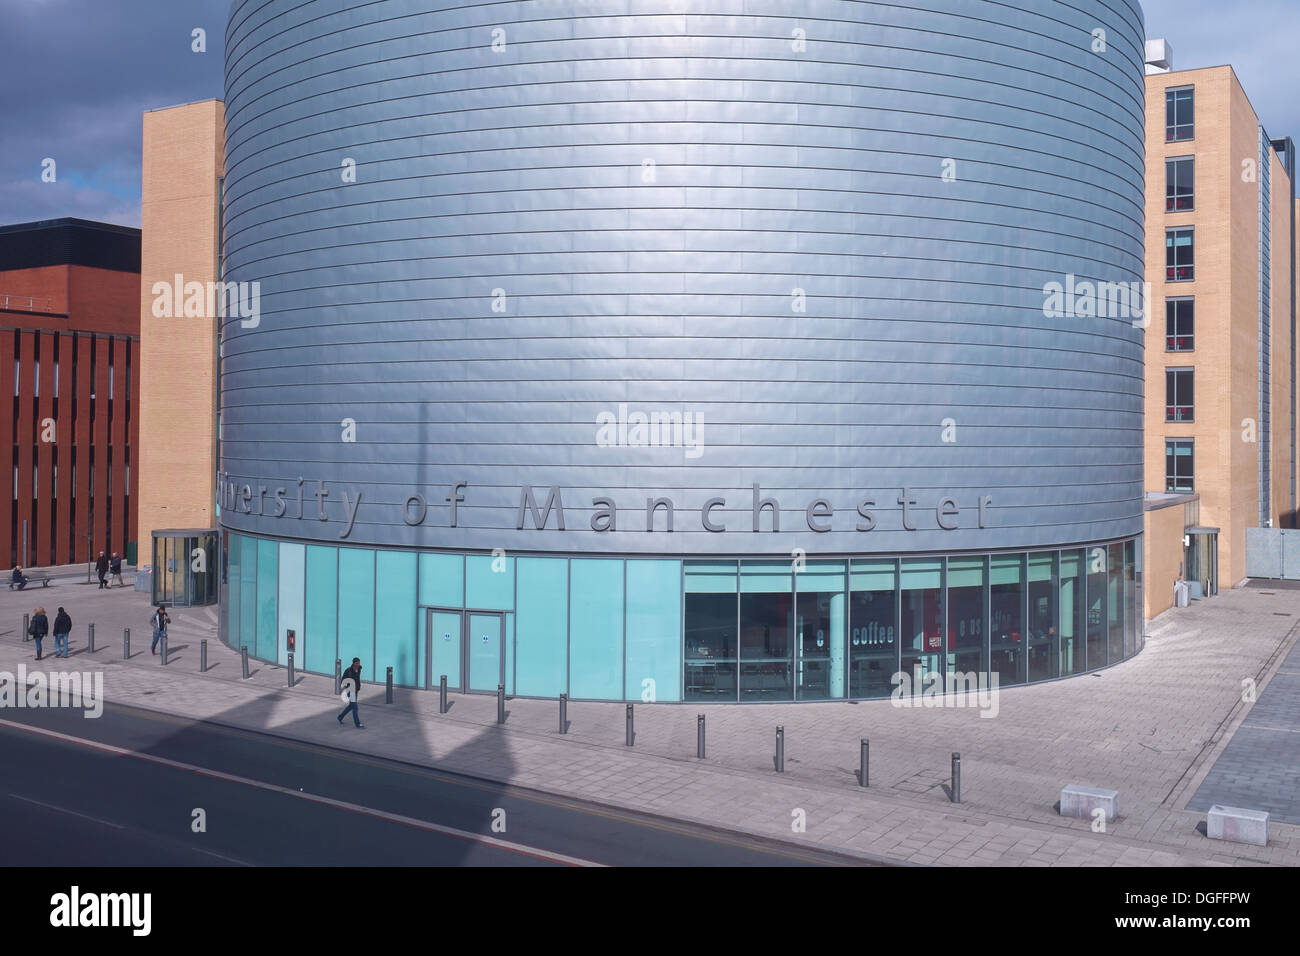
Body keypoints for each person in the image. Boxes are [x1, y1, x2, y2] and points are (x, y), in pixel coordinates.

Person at [337, 657, 365, 728]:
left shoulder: (359, 669)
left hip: (356, 690)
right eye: (357, 663)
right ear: (353, 663)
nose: (358, 664)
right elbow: (343, 680)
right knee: (355, 708)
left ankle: (340, 717)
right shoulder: (349, 671)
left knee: (351, 706)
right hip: (350, 690)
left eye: (359, 663)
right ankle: (358, 724)